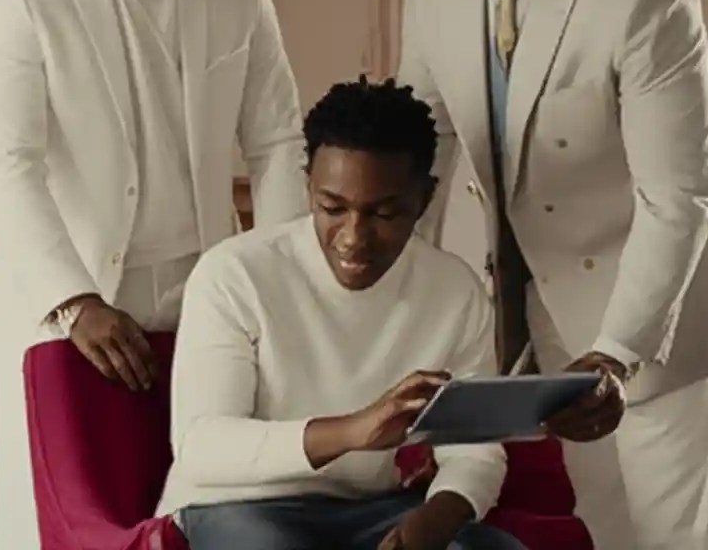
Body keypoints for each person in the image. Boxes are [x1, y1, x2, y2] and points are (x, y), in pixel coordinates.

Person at [396, 0, 708, 548]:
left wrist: (617, 353)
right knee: (608, 527)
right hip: (548, 306)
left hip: (660, 313)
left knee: (671, 538)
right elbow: (427, 135)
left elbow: (681, 194)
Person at [0, 0, 308, 546]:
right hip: (61, 315)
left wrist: (277, 282)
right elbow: (5, 163)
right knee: (57, 530)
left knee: (197, 519)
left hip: (209, 301)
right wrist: (75, 300)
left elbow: (277, 143)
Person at [157, 77, 526, 550]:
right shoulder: (235, 274)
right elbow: (201, 448)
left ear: (425, 198)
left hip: (368, 508)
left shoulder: (454, 291)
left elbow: (474, 447)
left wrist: (440, 515)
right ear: (309, 185)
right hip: (234, 507)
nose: (353, 237)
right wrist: (355, 429)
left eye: (384, 214)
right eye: (332, 207)